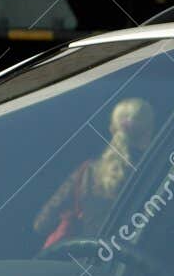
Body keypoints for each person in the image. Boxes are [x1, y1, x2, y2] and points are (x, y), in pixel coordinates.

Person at [33, 97, 154, 249]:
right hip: (131, 264)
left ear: (112, 129)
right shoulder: (157, 171)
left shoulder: (86, 172)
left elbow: (41, 224)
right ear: (149, 131)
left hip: (86, 261)